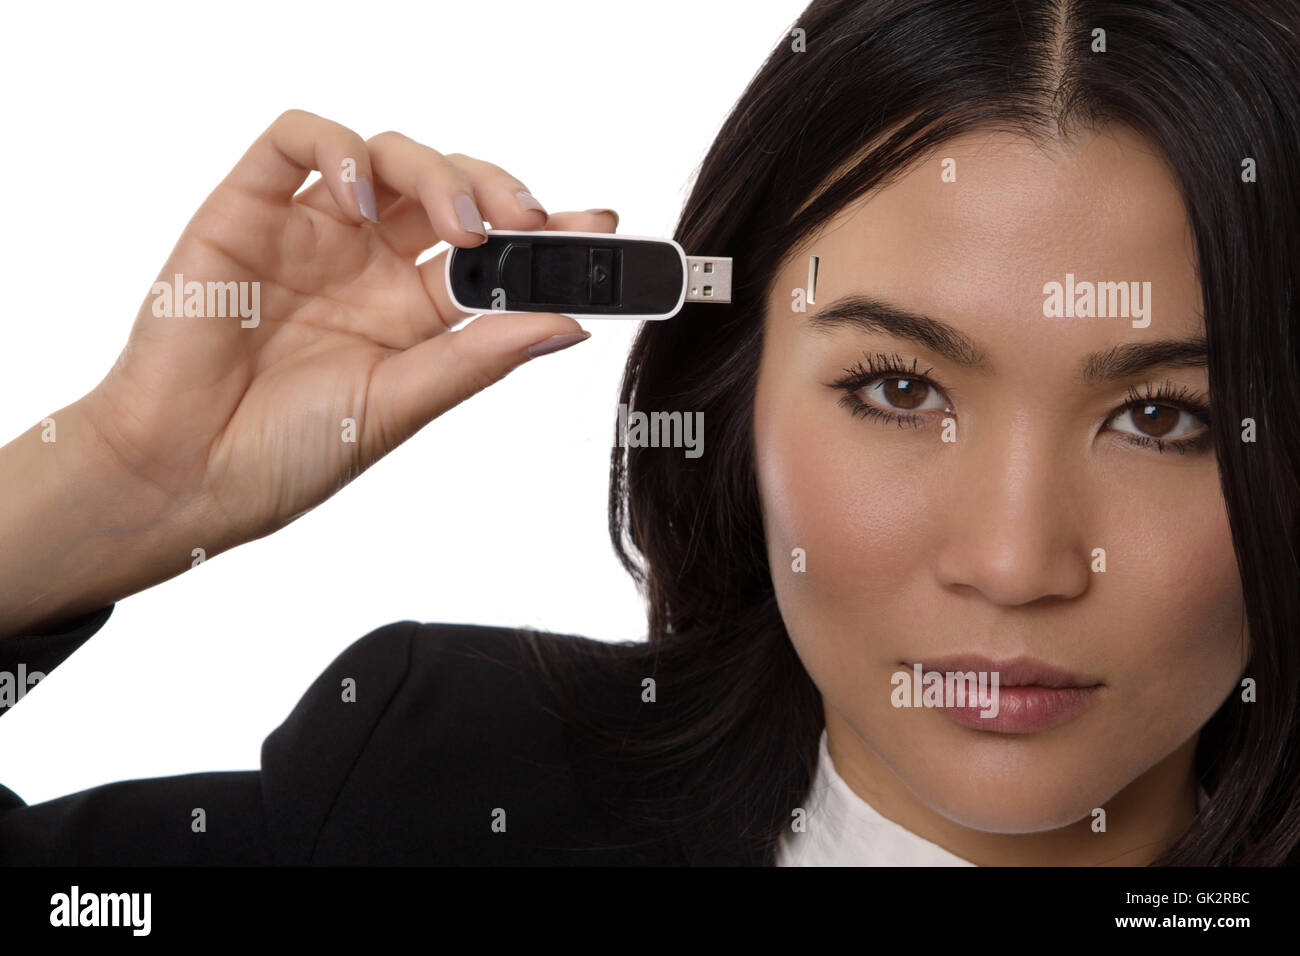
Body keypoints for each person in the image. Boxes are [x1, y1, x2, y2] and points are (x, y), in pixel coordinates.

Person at [1, 0, 1297, 866]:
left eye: (1161, 416)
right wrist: (119, 486)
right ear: (736, 401)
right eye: (900, 390)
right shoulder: (442, 791)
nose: (1017, 562)